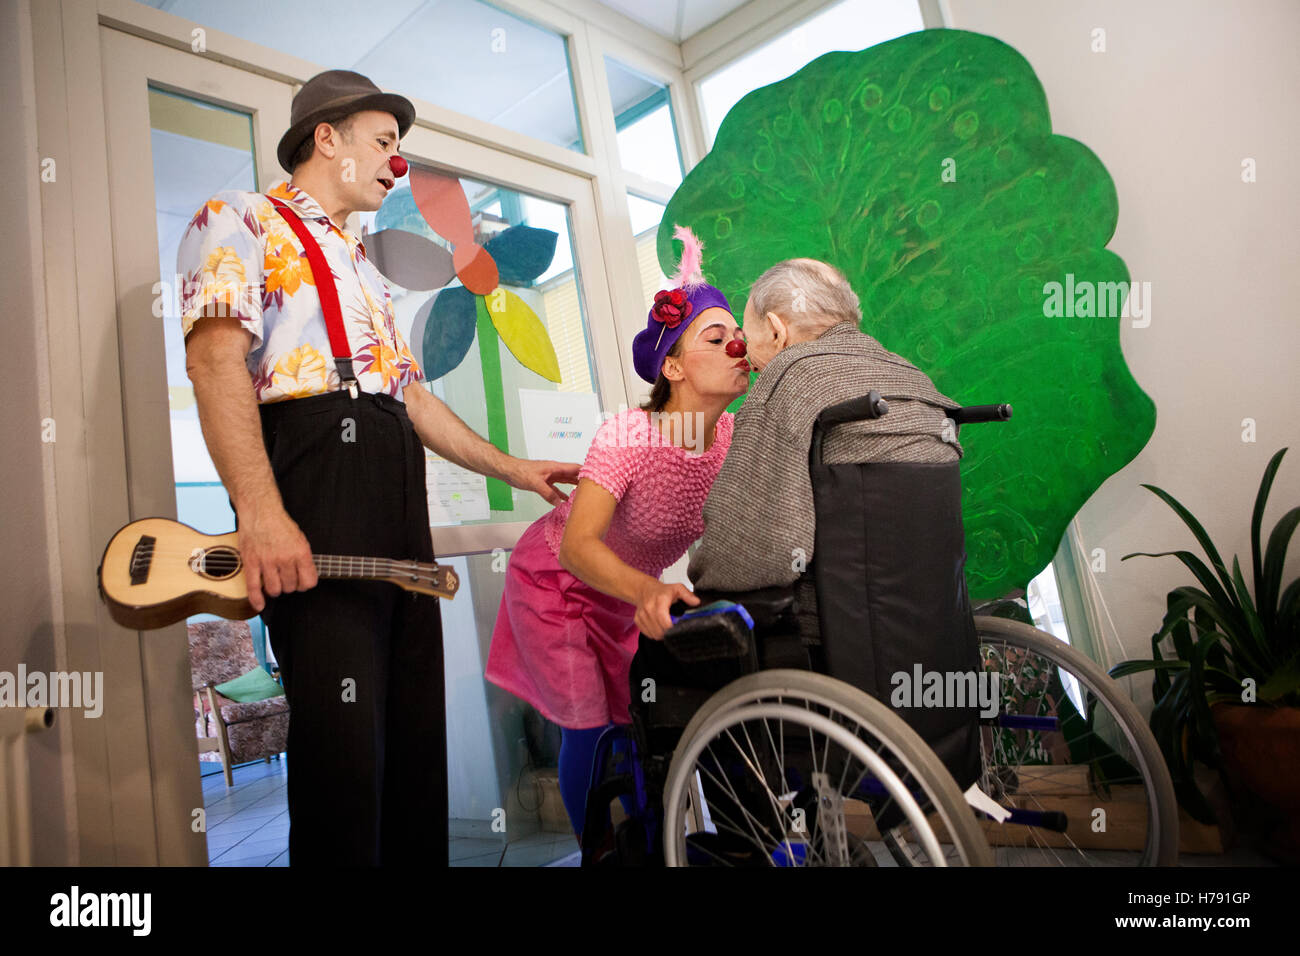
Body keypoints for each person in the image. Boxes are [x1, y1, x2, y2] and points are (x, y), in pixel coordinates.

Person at [178, 69, 579, 866]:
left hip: (394, 497)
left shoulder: (364, 268)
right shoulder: (235, 219)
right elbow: (216, 366)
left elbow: (413, 401)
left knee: (412, 758)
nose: (398, 164)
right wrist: (260, 515)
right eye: (385, 143)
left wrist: (514, 466)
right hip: (313, 484)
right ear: (327, 138)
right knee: (344, 766)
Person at [484, 227, 751, 839]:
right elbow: (578, 548)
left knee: (635, 717)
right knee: (590, 724)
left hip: (622, 591)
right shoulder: (628, 434)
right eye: (718, 336)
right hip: (555, 581)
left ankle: (650, 845)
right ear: (675, 366)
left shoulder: (731, 437)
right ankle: (598, 855)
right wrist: (649, 592)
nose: (738, 344)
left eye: (738, 334)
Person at [688, 257, 963, 646]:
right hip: (932, 619)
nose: (746, 358)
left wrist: (704, 587)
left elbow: (744, 554)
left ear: (775, 330)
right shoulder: (913, 377)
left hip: (830, 635)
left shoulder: (792, 375)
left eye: (748, 340)